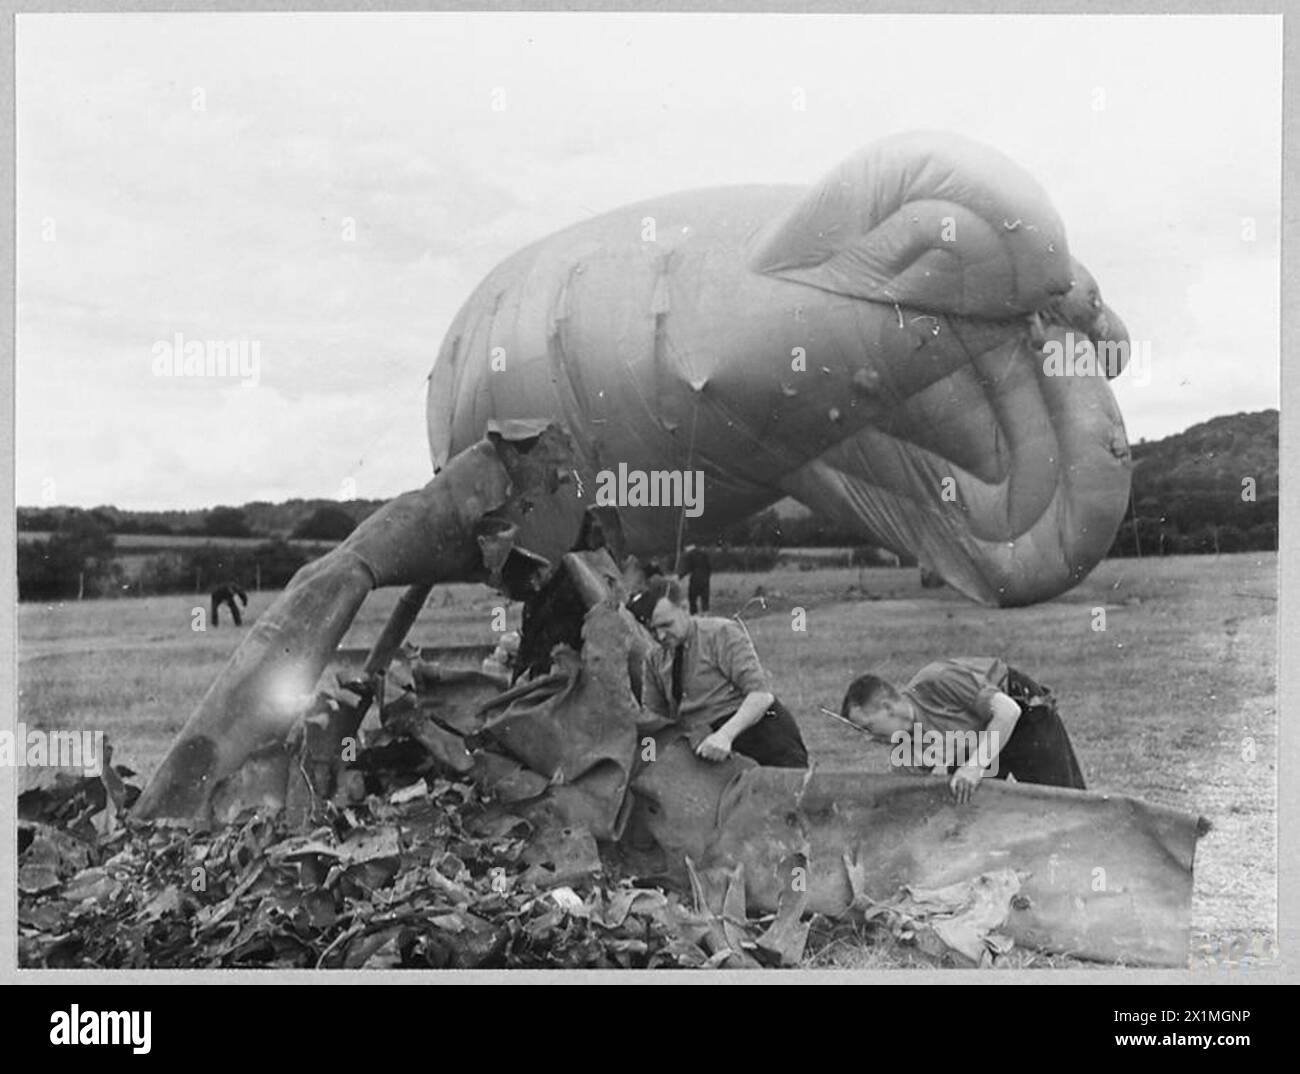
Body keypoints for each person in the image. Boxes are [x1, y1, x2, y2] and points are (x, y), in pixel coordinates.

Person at [839, 658, 1086, 802]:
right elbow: (908, 801)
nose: (869, 738)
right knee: (967, 807)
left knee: (1064, 803)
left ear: (887, 707)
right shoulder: (905, 749)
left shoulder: (937, 680)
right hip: (981, 739)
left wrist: (974, 766)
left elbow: (1008, 712)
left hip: (1022, 714)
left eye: (867, 727)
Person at [626, 576, 807, 768]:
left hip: (762, 739)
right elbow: (654, 722)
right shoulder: (654, 658)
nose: (660, 636)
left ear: (685, 608)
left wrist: (724, 736)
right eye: (652, 630)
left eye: (666, 625)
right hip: (707, 748)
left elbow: (760, 696)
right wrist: (646, 763)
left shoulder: (721, 633)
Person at [677, 544, 712, 614]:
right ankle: (706, 613)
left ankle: (694, 614)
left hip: (695, 579)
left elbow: (686, 567)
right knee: (705, 598)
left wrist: (680, 576)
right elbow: (710, 567)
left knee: (692, 598)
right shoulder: (704, 554)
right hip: (705, 579)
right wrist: (707, 576)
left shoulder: (690, 555)